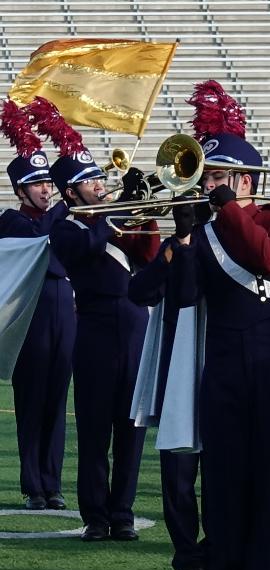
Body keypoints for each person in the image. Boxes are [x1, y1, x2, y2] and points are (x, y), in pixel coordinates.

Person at [167, 81, 270, 570]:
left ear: (245, 180)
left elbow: (268, 257)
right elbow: (178, 297)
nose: (209, 185)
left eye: (219, 177)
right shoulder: (204, 235)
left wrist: (227, 212)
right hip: (223, 373)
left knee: (265, 490)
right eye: (208, 177)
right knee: (223, 490)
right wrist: (181, 241)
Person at [40, 99, 158, 542]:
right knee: (94, 428)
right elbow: (86, 247)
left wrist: (144, 209)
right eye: (90, 181)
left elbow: (147, 255)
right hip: (94, 329)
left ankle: (122, 512)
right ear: (71, 193)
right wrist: (121, 208)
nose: (99, 185)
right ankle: (95, 515)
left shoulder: (113, 218)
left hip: (135, 323)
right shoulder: (64, 226)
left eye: (98, 178)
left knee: (131, 429)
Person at [128, 213, 211, 570]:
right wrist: (171, 252)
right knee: (178, 477)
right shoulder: (173, 248)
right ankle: (188, 559)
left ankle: (214, 554)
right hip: (177, 369)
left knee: (220, 478)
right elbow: (140, 292)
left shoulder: (226, 241)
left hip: (218, 364)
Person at [0, 100, 74, 511]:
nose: (47, 189)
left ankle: (53, 482)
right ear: (20, 191)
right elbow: (41, 236)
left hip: (64, 307)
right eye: (37, 184)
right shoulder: (12, 221)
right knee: (32, 401)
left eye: (49, 183)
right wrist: (67, 202)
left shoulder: (58, 218)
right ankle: (34, 485)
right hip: (30, 314)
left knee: (57, 401)